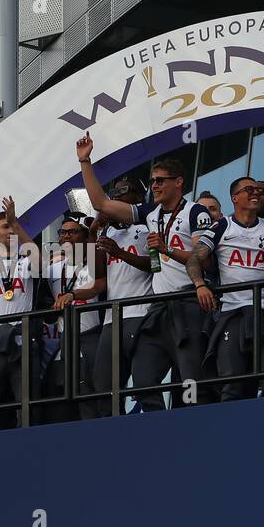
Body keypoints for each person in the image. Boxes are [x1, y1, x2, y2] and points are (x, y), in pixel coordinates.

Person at [77, 132, 214, 410]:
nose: (155, 185)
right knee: (144, 380)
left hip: (187, 301)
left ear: (179, 182)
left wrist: (166, 250)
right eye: (152, 181)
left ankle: (195, 433)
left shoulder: (196, 212)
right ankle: (155, 433)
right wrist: (85, 162)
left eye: (160, 180)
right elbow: (101, 204)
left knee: (190, 380)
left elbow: (204, 260)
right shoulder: (152, 214)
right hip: (157, 308)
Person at [190, 176, 264, 401]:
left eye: (258, 190)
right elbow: (194, 259)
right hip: (232, 314)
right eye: (249, 189)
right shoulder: (222, 225)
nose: (256, 193)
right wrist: (200, 285)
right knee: (232, 387)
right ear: (234, 198)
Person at [0, 197, 43, 432]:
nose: (11, 230)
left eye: (13, 226)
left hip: (23, 344)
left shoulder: (26, 263)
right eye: (5, 226)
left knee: (27, 406)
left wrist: (15, 222)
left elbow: (40, 263)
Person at [91, 176, 156, 416]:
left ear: (139, 198)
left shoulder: (149, 224)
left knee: (145, 384)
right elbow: (97, 275)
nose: (116, 195)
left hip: (141, 313)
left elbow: (155, 264)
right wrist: (95, 232)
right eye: (114, 192)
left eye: (123, 190)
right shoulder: (109, 231)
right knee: (104, 388)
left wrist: (120, 253)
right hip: (111, 319)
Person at [43, 212, 105, 423]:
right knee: (68, 400)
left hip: (93, 336)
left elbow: (99, 286)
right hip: (65, 341)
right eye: (63, 232)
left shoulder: (95, 263)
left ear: (84, 236)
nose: (66, 236)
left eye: (73, 231)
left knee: (97, 396)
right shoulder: (51, 269)